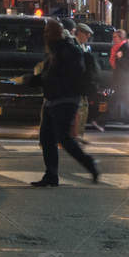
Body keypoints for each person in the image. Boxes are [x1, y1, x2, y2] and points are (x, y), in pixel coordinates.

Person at [30, 21, 100, 187]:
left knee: (64, 138)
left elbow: (61, 76)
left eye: (48, 31)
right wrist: (32, 80)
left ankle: (90, 164)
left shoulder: (67, 51)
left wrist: (38, 81)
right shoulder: (55, 50)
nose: (45, 34)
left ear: (56, 33)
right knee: (47, 138)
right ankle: (51, 175)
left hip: (64, 100)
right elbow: (48, 75)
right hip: (53, 100)